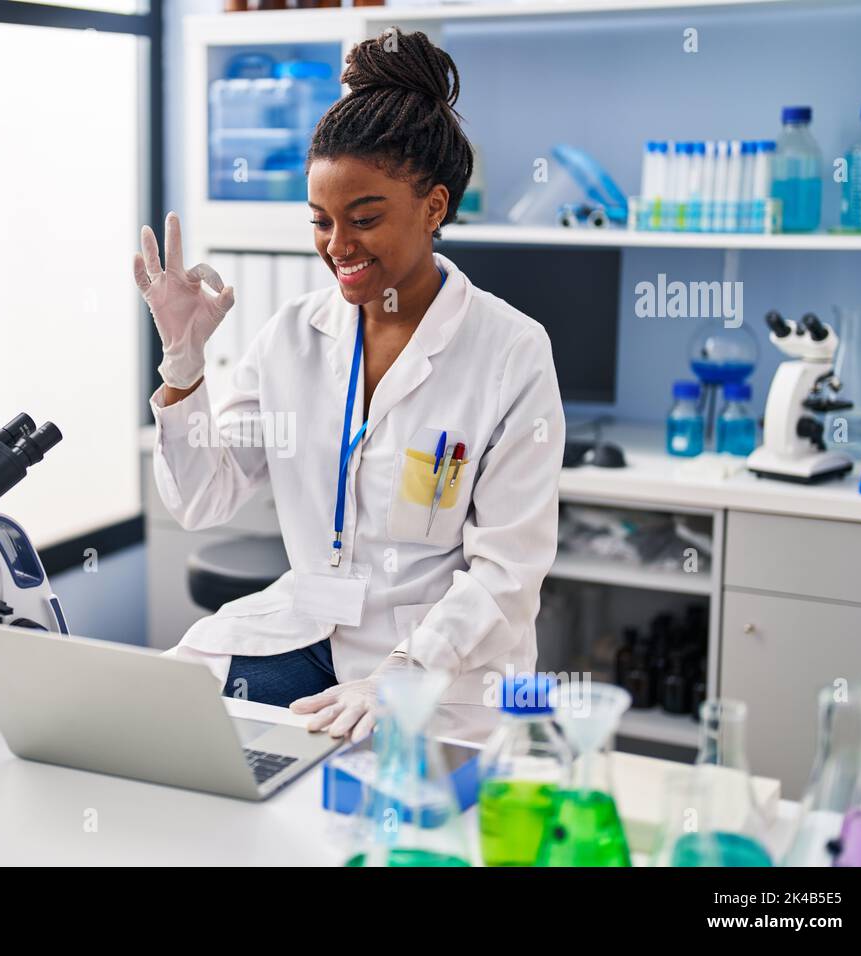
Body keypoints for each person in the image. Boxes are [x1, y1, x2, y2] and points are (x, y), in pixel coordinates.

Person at [134, 29, 564, 744]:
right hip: (305, 632)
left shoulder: (511, 351)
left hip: (441, 662)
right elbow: (201, 499)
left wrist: (404, 670)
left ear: (434, 207)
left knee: (386, 814)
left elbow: (507, 575)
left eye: (364, 219)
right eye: (321, 221)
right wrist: (183, 367)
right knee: (168, 733)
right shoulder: (291, 337)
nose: (338, 246)